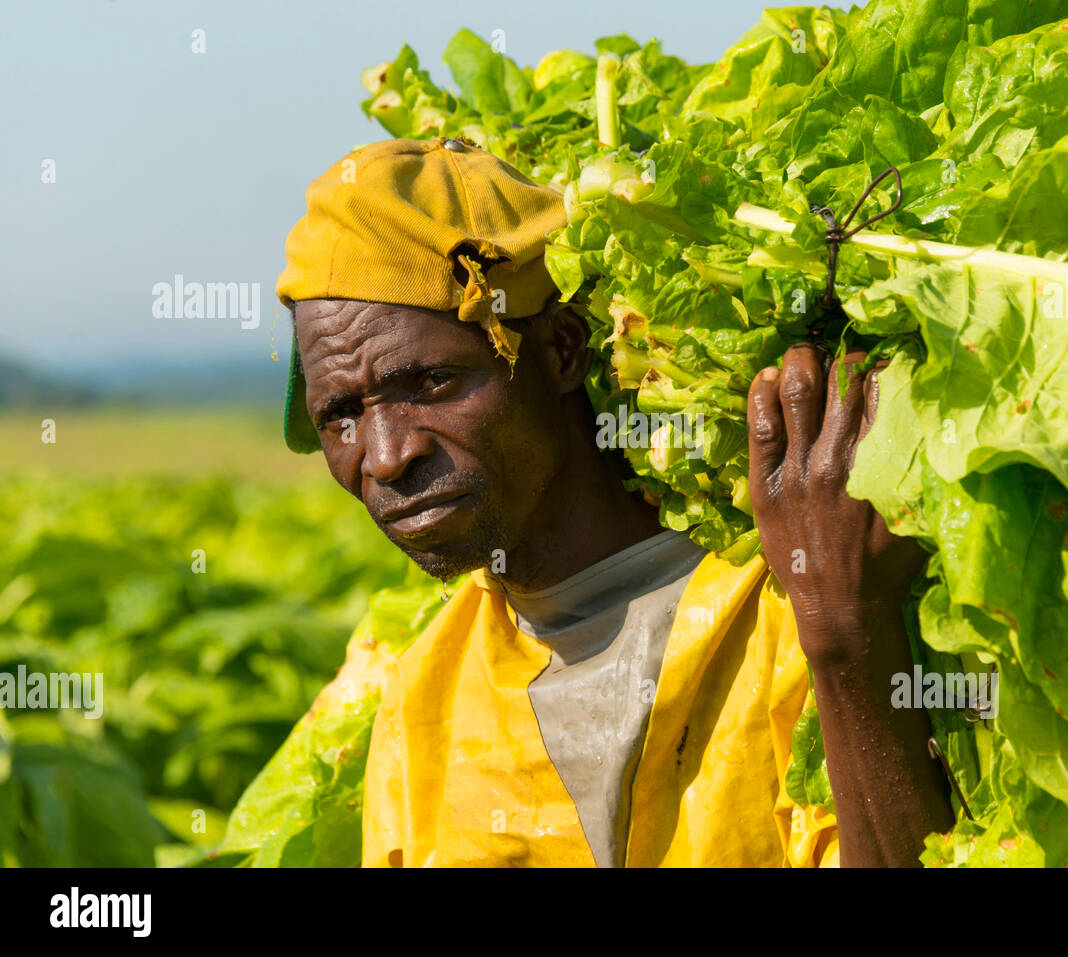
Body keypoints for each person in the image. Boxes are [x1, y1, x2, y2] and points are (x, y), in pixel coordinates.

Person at [275, 136, 953, 867]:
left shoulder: (790, 605)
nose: (383, 454)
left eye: (431, 383)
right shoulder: (421, 704)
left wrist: (846, 631)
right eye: (340, 413)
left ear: (562, 351)